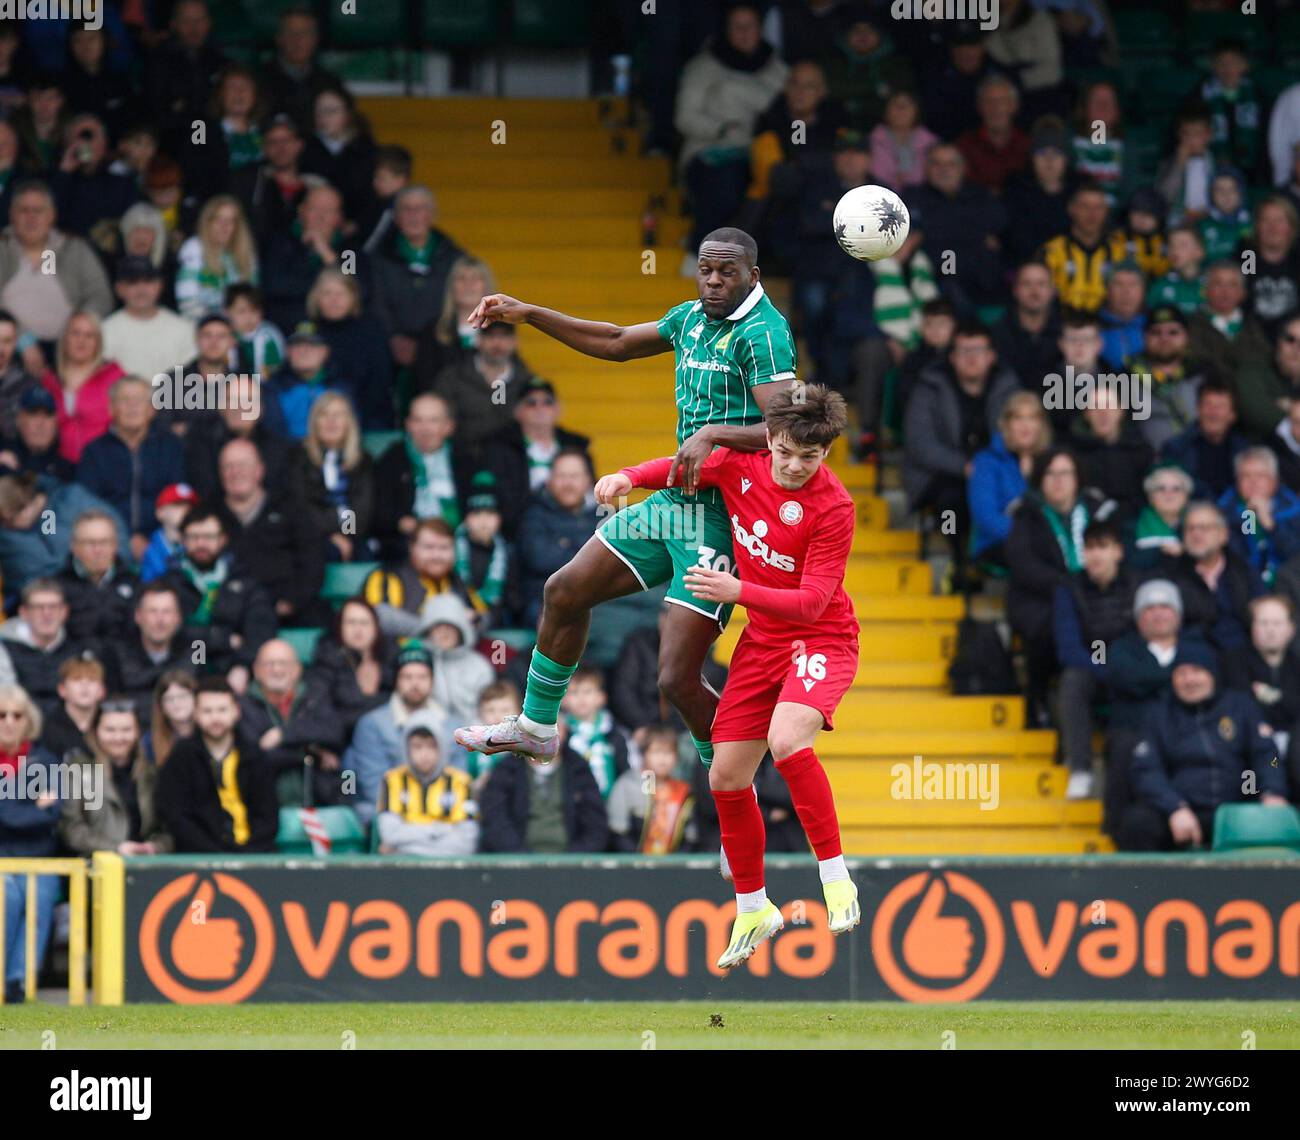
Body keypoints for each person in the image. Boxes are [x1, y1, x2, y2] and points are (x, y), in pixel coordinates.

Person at [452, 228, 795, 774]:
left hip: (725, 516)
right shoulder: (689, 318)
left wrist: (714, 435)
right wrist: (529, 313)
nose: (711, 281)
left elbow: (789, 428)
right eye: (705, 269)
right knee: (564, 591)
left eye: (725, 272)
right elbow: (613, 342)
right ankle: (537, 727)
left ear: (752, 276)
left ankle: (733, 790)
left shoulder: (764, 333)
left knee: (676, 680)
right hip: (674, 502)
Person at [592, 384, 861, 966]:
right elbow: (684, 465)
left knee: (788, 741)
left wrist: (738, 590)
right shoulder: (742, 467)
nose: (793, 466)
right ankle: (753, 906)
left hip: (820, 638)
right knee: (726, 777)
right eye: (786, 451)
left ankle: (836, 877)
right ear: (770, 439)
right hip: (762, 642)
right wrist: (629, 477)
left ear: (826, 455)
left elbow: (815, 602)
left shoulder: (834, 507)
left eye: (808, 458)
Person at [1121, 640, 1287, 851]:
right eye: (1181, 673)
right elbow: (1145, 770)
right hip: (1183, 813)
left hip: (1239, 809)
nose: (1189, 680)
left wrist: (1273, 791)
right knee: (1137, 823)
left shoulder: (1240, 706)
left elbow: (1268, 756)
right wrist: (1175, 808)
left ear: (1212, 674)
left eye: (1197, 671)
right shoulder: (1158, 715)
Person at [902, 322, 1019, 584]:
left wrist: (986, 470)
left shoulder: (1008, 387)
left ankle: (996, 561)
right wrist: (964, 467)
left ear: (992, 356)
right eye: (964, 351)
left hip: (995, 472)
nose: (972, 358)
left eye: (978, 350)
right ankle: (961, 563)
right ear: (953, 357)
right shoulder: (930, 385)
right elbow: (920, 443)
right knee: (953, 503)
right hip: (939, 475)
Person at [1006, 447, 1114, 727]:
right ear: (1040, 479)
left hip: (1095, 593)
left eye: (1065, 473)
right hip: (1041, 597)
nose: (1058, 480)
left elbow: (1113, 552)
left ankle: (1107, 696)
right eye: (1051, 474)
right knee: (1046, 627)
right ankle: (1038, 698)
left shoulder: (1098, 510)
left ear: (1077, 478)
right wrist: (1066, 586)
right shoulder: (1026, 513)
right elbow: (1022, 564)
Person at [674, 4, 786, 257]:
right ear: (726, 30)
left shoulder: (777, 68)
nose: (745, 33)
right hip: (713, 152)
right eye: (737, 27)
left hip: (761, 155)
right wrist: (721, 129)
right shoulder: (704, 66)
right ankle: (699, 251)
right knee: (726, 187)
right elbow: (684, 117)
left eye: (751, 26)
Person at [1051, 520, 1138, 798]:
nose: (1095, 555)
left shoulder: (1137, 584)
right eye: (1089, 548)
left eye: (1103, 547)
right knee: (1072, 682)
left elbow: (1143, 636)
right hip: (1093, 669)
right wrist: (1105, 670)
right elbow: (1069, 647)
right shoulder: (1069, 588)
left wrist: (1123, 668)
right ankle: (1081, 770)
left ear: (1118, 552)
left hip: (1132, 667)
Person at [158, 505, 277, 688]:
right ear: (182, 540)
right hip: (181, 672)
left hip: (234, 671)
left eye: (209, 537)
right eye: (193, 537)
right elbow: (166, 631)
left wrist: (242, 666)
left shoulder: (244, 581)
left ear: (222, 540)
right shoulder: (168, 584)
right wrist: (222, 639)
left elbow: (260, 629)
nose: (201, 544)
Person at [156, 676, 278, 853]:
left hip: (255, 855)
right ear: (195, 714)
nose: (215, 718)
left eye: (222, 710)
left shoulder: (254, 755)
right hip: (198, 858)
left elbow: (268, 816)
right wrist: (214, 853)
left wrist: (247, 852)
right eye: (207, 711)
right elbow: (176, 817)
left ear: (236, 711)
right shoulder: (180, 757)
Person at [216, 437, 327, 627]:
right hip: (227, 613)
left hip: (285, 609)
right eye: (228, 466)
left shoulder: (290, 508)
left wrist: (292, 601)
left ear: (259, 470)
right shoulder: (210, 513)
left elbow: (312, 559)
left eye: (242, 465)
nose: (235, 472)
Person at [76, 376, 187, 561]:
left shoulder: (170, 447)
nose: (132, 407)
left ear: (152, 410)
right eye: (125, 400)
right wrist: (124, 537)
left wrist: (151, 539)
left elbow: (177, 497)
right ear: (111, 409)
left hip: (162, 540)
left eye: (139, 400)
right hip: (109, 542)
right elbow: (88, 504)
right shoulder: (94, 452)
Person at [342, 639, 447, 826]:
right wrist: (415, 817)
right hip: (393, 815)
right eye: (407, 677)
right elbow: (374, 785)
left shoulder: (451, 725)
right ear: (396, 680)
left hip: (444, 816)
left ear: (432, 681)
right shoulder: (372, 724)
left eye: (422, 677)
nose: (415, 684)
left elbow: (459, 778)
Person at [0, 683, 60, 1003]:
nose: (9, 721)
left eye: (17, 715)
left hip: (39, 858)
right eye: (1, 715)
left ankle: (18, 983)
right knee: (6, 896)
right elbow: (14, 816)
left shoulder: (45, 760)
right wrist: (29, 807)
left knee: (39, 896)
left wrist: (11, 810)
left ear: (28, 720)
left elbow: (53, 814)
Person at [0, 181, 112, 352]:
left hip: (69, 349)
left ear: (51, 215)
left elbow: (100, 296)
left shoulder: (71, 248)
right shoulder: (3, 248)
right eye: (24, 210)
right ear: (12, 215)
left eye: (38, 210)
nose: (31, 217)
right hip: (10, 348)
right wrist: (23, 340)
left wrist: (77, 332)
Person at [238, 637, 345, 807]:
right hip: (263, 806)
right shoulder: (242, 706)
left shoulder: (316, 696)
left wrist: (283, 735)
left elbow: (333, 732)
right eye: (269, 664)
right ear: (256, 670)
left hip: (320, 802)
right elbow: (258, 756)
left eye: (284, 663)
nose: (277, 670)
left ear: (298, 669)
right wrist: (310, 754)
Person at [371, 392, 479, 557]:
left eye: (433, 421)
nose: (425, 428)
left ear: (448, 426)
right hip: (410, 540)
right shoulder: (393, 459)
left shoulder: (464, 459)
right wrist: (403, 523)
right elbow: (378, 512)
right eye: (418, 420)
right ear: (408, 425)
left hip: (459, 537)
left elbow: (477, 503)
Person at [59, 698, 172, 856]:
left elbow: (167, 829)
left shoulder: (151, 773)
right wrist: (116, 848)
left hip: (145, 867)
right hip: (97, 868)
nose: (118, 738)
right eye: (110, 730)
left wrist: (154, 847)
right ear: (95, 731)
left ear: (137, 731)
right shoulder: (78, 769)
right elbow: (72, 830)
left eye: (126, 730)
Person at [480, 378, 591, 538]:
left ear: (558, 409)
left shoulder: (577, 445)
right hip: (518, 530)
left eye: (547, 402)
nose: (540, 408)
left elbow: (591, 492)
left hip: (572, 525)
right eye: (531, 403)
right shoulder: (501, 448)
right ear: (517, 411)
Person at [478, 723, 610, 854]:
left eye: (553, 725)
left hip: (572, 864)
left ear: (565, 730)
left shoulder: (579, 768)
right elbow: (495, 822)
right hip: (516, 862)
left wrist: (571, 862)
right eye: (537, 727)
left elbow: (595, 825)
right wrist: (523, 860)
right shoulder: (506, 769)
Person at [1155, 500, 1262, 654]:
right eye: (1190, 528)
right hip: (1191, 659)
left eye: (1204, 528)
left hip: (1243, 657)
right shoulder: (1169, 574)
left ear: (1223, 535)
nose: (1196, 534)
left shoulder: (1244, 572)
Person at [516, 451, 602, 627]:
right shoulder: (533, 514)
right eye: (561, 476)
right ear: (550, 481)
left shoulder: (604, 515)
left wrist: (565, 545)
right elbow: (541, 559)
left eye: (575, 476)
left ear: (588, 480)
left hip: (598, 600)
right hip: (545, 601)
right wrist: (590, 553)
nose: (568, 483)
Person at [1222, 596, 1300, 789]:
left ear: (1291, 629)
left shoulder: (1297, 663)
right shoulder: (1233, 662)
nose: (1270, 630)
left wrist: (1270, 696)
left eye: (1277, 623)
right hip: (1251, 749)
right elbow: (1240, 707)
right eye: (1263, 623)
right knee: (1262, 770)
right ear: (1252, 627)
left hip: (1294, 744)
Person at [375, 712, 478, 856]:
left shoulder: (461, 782)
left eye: (431, 746)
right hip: (404, 867)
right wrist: (443, 830)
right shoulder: (392, 780)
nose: (425, 754)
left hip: (449, 867)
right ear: (406, 749)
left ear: (442, 747)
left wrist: (406, 846)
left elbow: (466, 843)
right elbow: (390, 835)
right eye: (417, 747)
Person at [968, 391, 1051, 567]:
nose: (1025, 425)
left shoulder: (1052, 461)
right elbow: (986, 518)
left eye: (1032, 418)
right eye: (1018, 418)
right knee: (1033, 554)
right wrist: (1030, 535)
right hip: (997, 543)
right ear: (1006, 424)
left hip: (1045, 541)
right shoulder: (986, 462)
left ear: (1041, 425)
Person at [362, 517, 484, 637]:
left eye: (444, 548)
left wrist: (475, 620)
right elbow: (378, 616)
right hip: (397, 655)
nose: (437, 555)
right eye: (429, 547)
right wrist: (442, 627)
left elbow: (484, 616)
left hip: (448, 656)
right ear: (412, 548)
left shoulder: (458, 581)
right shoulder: (386, 576)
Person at [306, 268, 392, 431]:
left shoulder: (371, 329)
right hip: (315, 416)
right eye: (327, 293)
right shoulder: (307, 331)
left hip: (366, 417)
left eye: (341, 293)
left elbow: (379, 385)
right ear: (316, 298)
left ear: (353, 297)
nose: (334, 300)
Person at [39, 309, 125, 463]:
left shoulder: (114, 376)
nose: (81, 341)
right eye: (75, 333)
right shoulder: (49, 379)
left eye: (89, 335)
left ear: (98, 342)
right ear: (65, 339)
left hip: (104, 463)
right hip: (57, 463)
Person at [4, 580, 97, 715]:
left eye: (53, 607)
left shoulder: (80, 651)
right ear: (24, 612)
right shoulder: (4, 650)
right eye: (38, 607)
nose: (47, 613)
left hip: (67, 727)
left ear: (64, 612)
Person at [307, 598, 396, 737]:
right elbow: (321, 713)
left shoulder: (392, 658)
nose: (358, 629)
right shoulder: (326, 661)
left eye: (364, 623)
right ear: (339, 627)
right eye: (351, 622)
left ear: (376, 628)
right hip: (342, 741)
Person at [100, 256, 195, 382]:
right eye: (132, 282)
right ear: (119, 289)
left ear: (159, 285)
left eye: (148, 281)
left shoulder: (184, 329)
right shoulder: (104, 331)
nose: (141, 289)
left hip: (171, 400)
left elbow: (190, 380)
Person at [51, 508, 139, 644]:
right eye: (90, 543)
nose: (98, 550)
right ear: (74, 546)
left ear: (115, 545)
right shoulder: (56, 588)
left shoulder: (134, 583)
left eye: (104, 542)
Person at [1216, 447, 1300, 587]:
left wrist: (1270, 525)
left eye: (1260, 475)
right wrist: (1248, 518)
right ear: (1237, 481)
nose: (1253, 482)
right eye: (1246, 476)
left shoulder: (1294, 509)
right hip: (1243, 587)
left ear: (1274, 480)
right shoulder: (1224, 511)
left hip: (1290, 585)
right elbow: (1235, 557)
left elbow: (1295, 555)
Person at [106, 583, 193, 717]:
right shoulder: (116, 652)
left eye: (167, 612)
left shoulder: (197, 648)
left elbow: (202, 689)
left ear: (178, 618)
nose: (160, 620)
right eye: (153, 611)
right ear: (138, 616)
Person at [606, 725, 696, 854]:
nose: (662, 759)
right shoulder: (628, 784)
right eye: (655, 752)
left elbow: (690, 836)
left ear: (676, 757)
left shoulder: (684, 790)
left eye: (668, 753)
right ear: (644, 754)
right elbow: (617, 832)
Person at [173, 194, 257, 322]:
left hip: (238, 327)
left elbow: (253, 302)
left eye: (231, 221)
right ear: (208, 222)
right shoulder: (194, 247)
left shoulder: (246, 253)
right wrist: (219, 327)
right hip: (201, 327)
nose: (224, 226)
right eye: (218, 219)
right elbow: (187, 302)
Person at [1160, 381, 1247, 503]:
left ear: (1232, 415)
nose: (1213, 413)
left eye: (1220, 406)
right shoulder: (1176, 449)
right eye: (1208, 405)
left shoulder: (1245, 451)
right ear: (1198, 410)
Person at [1039, 183, 1114, 313]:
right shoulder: (1052, 251)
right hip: (1060, 324)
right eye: (1085, 207)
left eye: (1098, 208)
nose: (1092, 214)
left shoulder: (1119, 251)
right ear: (1071, 209)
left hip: (1107, 327)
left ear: (1106, 211)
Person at [559, 666, 629, 800]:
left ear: (601, 697)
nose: (581, 698)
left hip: (611, 802)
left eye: (588, 692)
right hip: (576, 803)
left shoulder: (613, 734)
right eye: (574, 692)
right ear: (563, 700)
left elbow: (624, 771)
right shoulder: (562, 734)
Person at [37, 651, 104, 760]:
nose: (85, 685)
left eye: (92, 680)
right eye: (77, 679)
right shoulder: (48, 728)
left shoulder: (111, 726)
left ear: (102, 690)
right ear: (62, 689)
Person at [140, 482, 200, 582]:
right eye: (178, 505)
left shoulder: (201, 545)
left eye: (190, 506)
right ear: (159, 513)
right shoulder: (152, 552)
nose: (186, 510)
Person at [141, 669, 196, 767]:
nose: (176, 703)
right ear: (161, 705)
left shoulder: (209, 733)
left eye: (182, 696)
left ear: (195, 698)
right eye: (169, 699)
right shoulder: (149, 741)